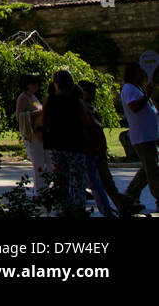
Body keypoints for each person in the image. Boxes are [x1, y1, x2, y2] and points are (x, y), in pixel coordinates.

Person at [79, 79, 129, 217]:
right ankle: (107, 210)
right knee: (95, 183)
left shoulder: (90, 106)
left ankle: (121, 206)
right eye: (88, 90)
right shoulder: (81, 107)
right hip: (89, 151)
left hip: (98, 151)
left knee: (107, 183)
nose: (92, 93)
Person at [42, 69, 89, 214]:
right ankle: (79, 207)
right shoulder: (76, 101)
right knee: (78, 177)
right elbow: (84, 121)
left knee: (61, 177)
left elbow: (44, 122)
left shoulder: (49, 100)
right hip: (75, 142)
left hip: (56, 143)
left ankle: (63, 206)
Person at [120, 61, 159, 212]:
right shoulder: (129, 89)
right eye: (139, 72)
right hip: (142, 136)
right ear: (132, 74)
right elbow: (134, 107)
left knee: (146, 170)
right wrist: (147, 95)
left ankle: (130, 196)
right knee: (153, 171)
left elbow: (147, 109)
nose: (142, 74)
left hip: (149, 135)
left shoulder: (138, 89)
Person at [15, 73, 48, 193]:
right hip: (31, 134)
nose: (36, 86)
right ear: (27, 85)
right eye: (34, 84)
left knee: (46, 162)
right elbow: (19, 116)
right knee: (38, 162)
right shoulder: (23, 98)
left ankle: (42, 187)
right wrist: (34, 114)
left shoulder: (33, 97)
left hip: (39, 133)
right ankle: (39, 191)